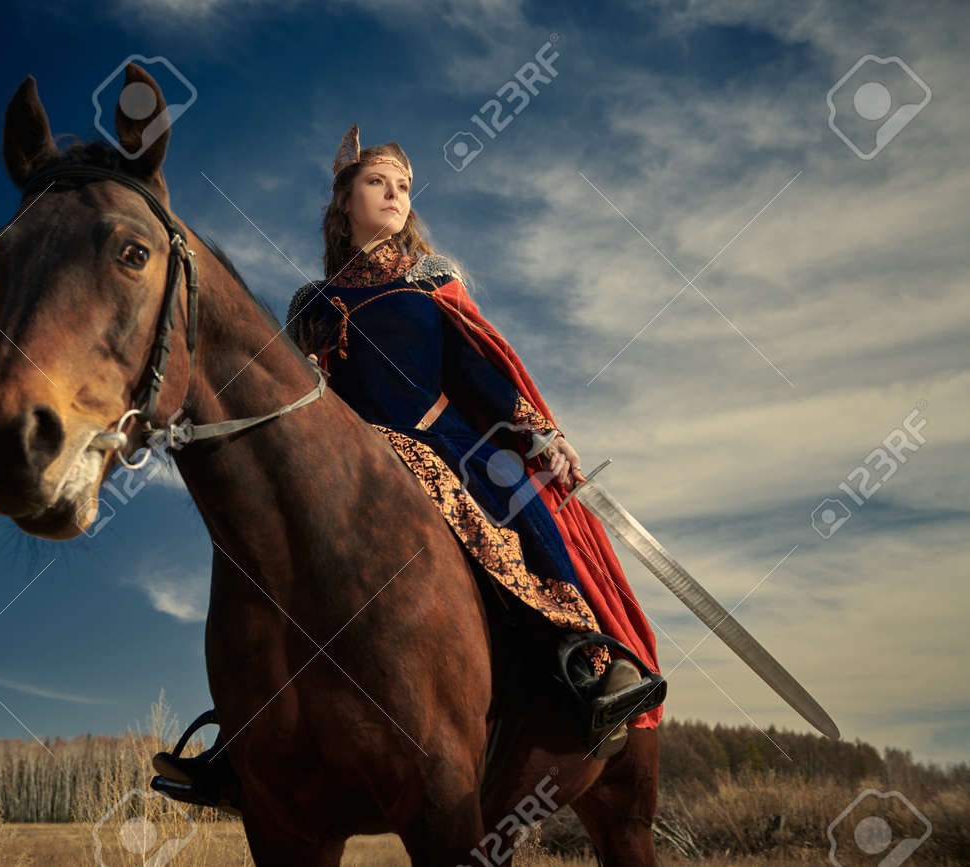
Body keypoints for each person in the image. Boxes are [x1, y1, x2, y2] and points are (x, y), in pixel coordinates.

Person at [151, 125, 664, 808]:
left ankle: (589, 661)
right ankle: (245, 736)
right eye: (377, 182)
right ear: (344, 201)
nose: (394, 195)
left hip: (440, 442)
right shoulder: (312, 301)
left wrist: (538, 432)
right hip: (347, 457)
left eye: (403, 187)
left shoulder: (429, 280)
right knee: (267, 550)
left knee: (515, 496)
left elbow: (476, 371)